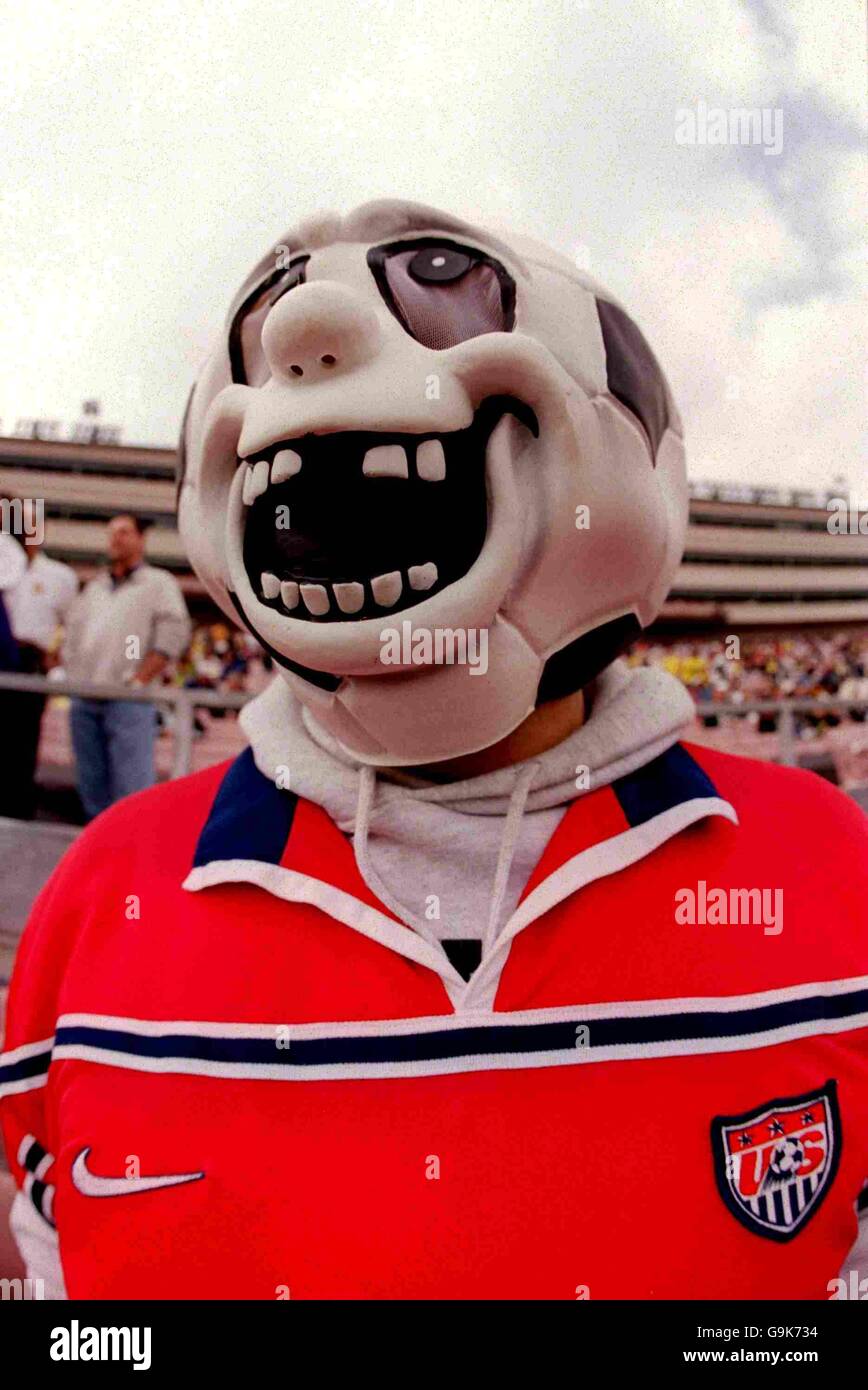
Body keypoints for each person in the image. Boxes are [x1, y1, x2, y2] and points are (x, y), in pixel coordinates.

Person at [1, 200, 866, 1300]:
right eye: (265, 316)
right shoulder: (104, 891)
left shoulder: (827, 868)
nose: (304, 326)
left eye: (439, 275)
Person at [63, 512, 191, 819]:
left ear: (141, 539)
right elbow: (73, 635)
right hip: (85, 696)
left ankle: (133, 858)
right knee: (91, 786)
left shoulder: (158, 583)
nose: (115, 539)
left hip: (129, 699)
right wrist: (72, 677)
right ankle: (98, 857)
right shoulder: (96, 586)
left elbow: (174, 632)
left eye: (123, 532)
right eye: (112, 533)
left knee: (132, 790)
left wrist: (140, 678)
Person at [1, 526, 78, 819]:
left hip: (30, 665)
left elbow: (74, 624)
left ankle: (17, 811)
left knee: (22, 744)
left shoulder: (59, 576)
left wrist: (56, 658)